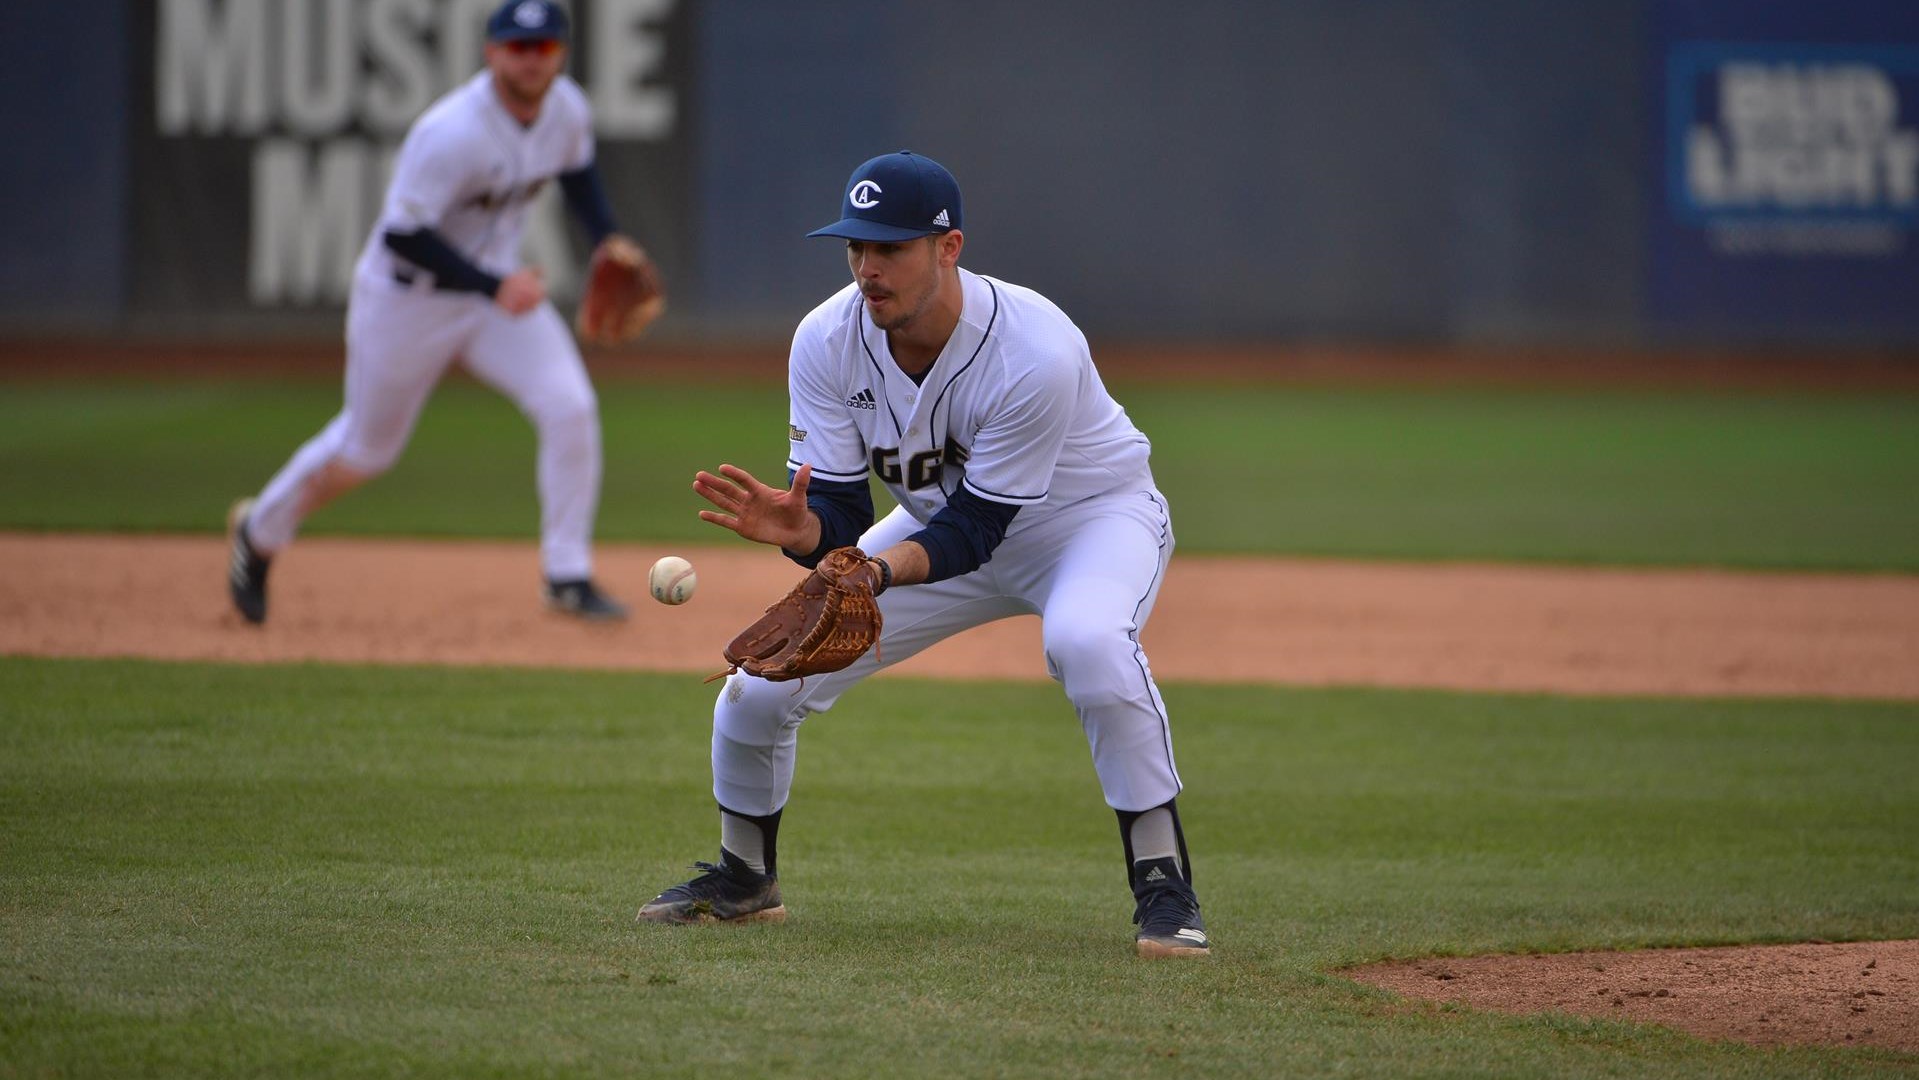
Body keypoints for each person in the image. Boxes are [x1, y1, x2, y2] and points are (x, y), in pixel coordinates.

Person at [636, 151, 1210, 957]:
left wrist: (868, 570)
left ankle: (1164, 886)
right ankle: (743, 879)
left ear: (949, 248)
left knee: (1086, 644)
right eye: (855, 247)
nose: (868, 269)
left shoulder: (1033, 349)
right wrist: (804, 537)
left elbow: (977, 530)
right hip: (938, 528)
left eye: (890, 248)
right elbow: (840, 516)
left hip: (1086, 523)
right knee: (757, 686)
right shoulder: (827, 339)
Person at [226, 0, 642, 624]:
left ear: (560, 54)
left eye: (545, 48)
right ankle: (259, 532)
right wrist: (492, 287)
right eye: (518, 48)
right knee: (366, 451)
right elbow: (402, 233)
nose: (532, 60)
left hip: (494, 293)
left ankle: (566, 573)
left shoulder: (567, 110)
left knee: (570, 408)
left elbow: (578, 175)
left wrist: (608, 239)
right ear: (491, 53)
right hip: (407, 300)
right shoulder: (451, 132)